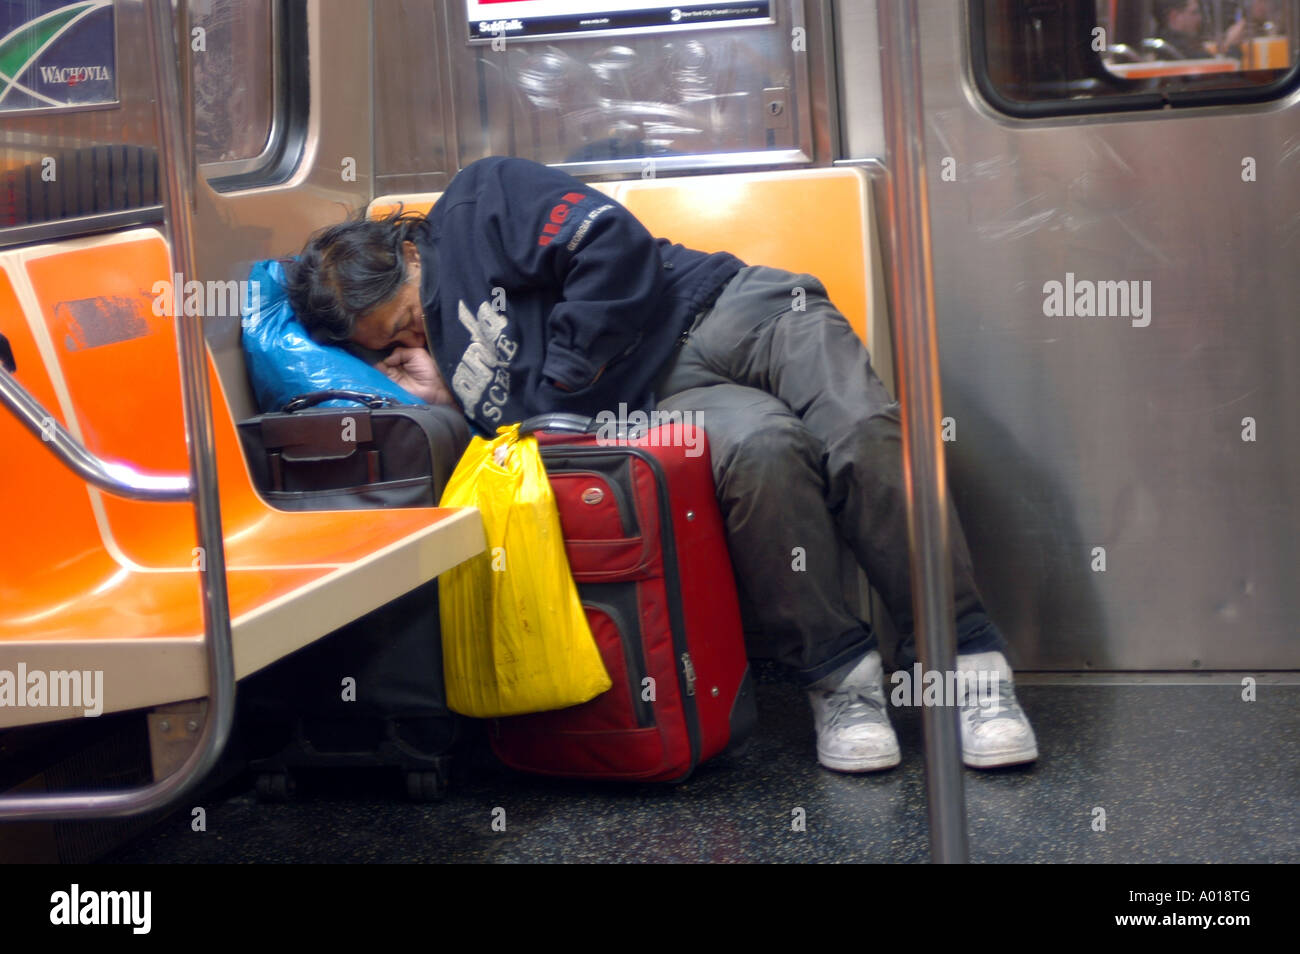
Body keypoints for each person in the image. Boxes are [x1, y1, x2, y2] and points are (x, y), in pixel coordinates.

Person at [286, 156, 1038, 773]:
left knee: (862, 430)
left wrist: (558, 390)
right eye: (387, 345)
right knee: (761, 456)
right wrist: (444, 389)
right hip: (655, 400)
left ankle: (965, 657)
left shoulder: (478, 201)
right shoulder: (447, 370)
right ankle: (840, 676)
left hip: (730, 310)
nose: (410, 339)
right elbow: (525, 443)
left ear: (406, 257)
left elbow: (609, 245)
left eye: (408, 319)